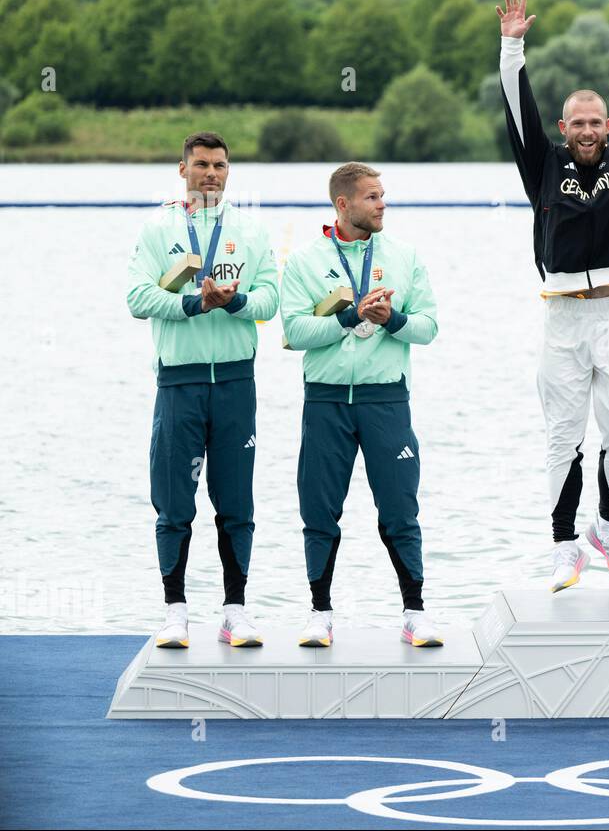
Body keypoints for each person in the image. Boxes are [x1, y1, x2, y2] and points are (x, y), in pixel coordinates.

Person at [497, 0, 609, 593]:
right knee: (562, 437)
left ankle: (608, 526)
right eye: (576, 123)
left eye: (595, 123)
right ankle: (563, 544)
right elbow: (515, 110)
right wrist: (512, 44)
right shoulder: (542, 166)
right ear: (563, 128)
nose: (586, 131)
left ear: (608, 127)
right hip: (563, 318)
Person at [126, 131, 279, 649]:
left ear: (229, 172)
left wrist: (232, 303)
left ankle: (235, 610)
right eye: (202, 165)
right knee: (174, 502)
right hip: (180, 381)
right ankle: (175, 612)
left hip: (236, 382)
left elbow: (271, 301)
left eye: (219, 166)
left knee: (236, 501)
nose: (211, 173)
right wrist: (194, 305)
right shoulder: (157, 228)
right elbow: (137, 297)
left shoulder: (250, 230)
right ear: (182, 169)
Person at [281, 163, 441, 647]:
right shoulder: (306, 260)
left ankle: (415, 613)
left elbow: (430, 327)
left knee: (399, 507)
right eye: (372, 197)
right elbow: (294, 332)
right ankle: (320, 613)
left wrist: (393, 319)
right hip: (326, 400)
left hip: (386, 398)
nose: (382, 203)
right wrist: (349, 317)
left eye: (383, 195)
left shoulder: (404, 256)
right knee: (319, 508)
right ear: (343, 204)